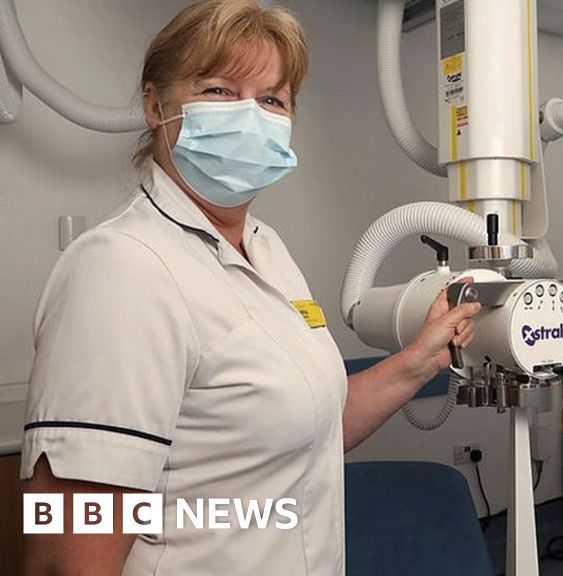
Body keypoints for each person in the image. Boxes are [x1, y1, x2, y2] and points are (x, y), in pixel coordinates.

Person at [19, 1, 480, 574]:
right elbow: (64, 555)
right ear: (154, 104)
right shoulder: (121, 269)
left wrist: (421, 359)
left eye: (271, 99)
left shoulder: (265, 248)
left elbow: (309, 429)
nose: (249, 116)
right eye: (217, 89)